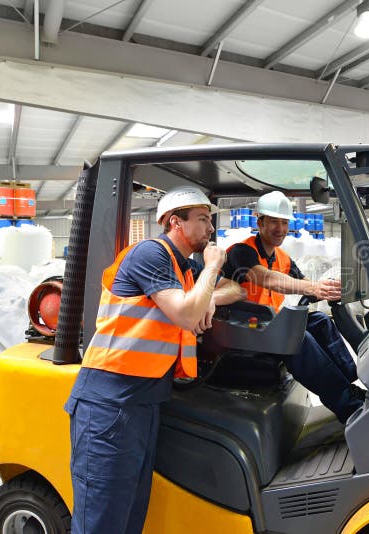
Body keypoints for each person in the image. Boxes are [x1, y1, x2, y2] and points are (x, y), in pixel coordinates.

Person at [64, 185, 245, 534]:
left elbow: (235, 289)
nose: (211, 229)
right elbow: (183, 312)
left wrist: (208, 298)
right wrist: (210, 271)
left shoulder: (185, 267)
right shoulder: (151, 254)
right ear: (175, 222)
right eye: (203, 219)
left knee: (130, 513)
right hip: (110, 403)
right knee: (101, 521)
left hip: (143, 402)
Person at [223, 191, 363, 424]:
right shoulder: (242, 251)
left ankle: (349, 383)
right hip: (239, 330)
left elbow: (305, 281)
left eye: (284, 222)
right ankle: (347, 405)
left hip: (263, 325)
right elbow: (265, 277)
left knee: (318, 320)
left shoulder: (282, 257)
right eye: (273, 222)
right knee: (299, 339)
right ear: (260, 223)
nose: (280, 228)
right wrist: (311, 288)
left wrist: (325, 287)